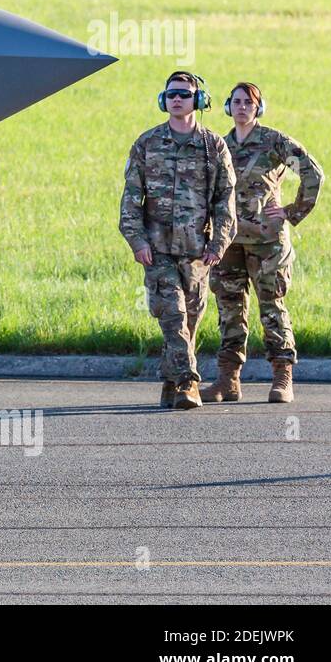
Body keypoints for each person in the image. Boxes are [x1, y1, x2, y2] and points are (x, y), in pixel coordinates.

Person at [200, 82, 324, 404]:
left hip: (267, 243)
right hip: (228, 242)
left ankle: (282, 377)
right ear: (228, 107)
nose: (242, 107)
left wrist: (290, 211)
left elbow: (313, 174)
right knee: (229, 310)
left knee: (271, 308)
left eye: (248, 102)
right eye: (236, 102)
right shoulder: (220, 145)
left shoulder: (273, 142)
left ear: (258, 108)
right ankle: (228, 380)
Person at [119, 71, 237, 409]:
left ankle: (170, 381)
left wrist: (219, 243)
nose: (177, 99)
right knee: (172, 314)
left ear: (198, 101)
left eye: (184, 94)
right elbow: (131, 199)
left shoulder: (213, 146)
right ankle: (188, 382)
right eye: (171, 94)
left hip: (197, 251)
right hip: (157, 251)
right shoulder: (147, 144)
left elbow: (224, 199)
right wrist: (137, 241)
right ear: (163, 100)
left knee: (188, 321)